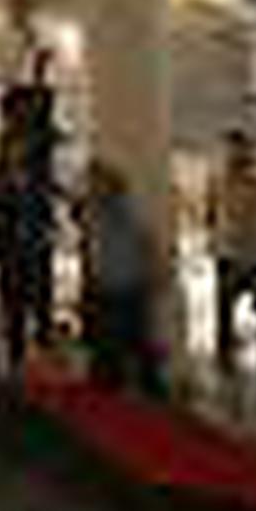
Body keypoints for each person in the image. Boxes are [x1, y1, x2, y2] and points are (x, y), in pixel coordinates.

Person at [78, 159, 166, 397]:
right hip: (106, 287)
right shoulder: (91, 213)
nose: (92, 188)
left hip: (129, 286)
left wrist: (155, 275)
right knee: (108, 344)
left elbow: (148, 244)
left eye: (98, 184)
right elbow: (91, 250)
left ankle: (148, 389)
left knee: (137, 341)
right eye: (91, 183)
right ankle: (109, 387)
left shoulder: (129, 213)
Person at [0, 110, 59, 377]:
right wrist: (8, 192)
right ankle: (15, 360)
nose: (19, 151)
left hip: (37, 248)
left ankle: (44, 356)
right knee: (13, 305)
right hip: (10, 250)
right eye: (15, 147)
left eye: (23, 148)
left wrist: (48, 226)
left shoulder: (38, 175)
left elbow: (47, 203)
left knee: (42, 302)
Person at [209, 126, 256, 377]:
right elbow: (215, 218)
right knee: (224, 310)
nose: (230, 156)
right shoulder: (218, 185)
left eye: (236, 150)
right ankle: (225, 357)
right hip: (229, 256)